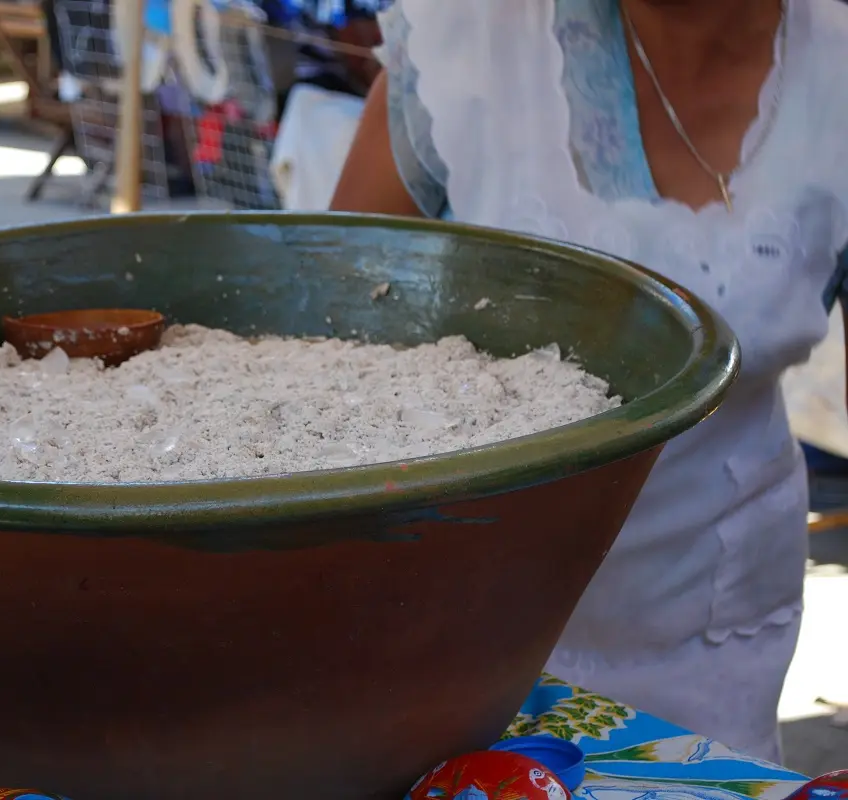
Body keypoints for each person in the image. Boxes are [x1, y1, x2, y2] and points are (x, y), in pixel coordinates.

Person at [330, 0, 848, 762]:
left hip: (713, 633)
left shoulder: (835, 67)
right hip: (456, 642)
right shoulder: (459, 41)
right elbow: (329, 332)